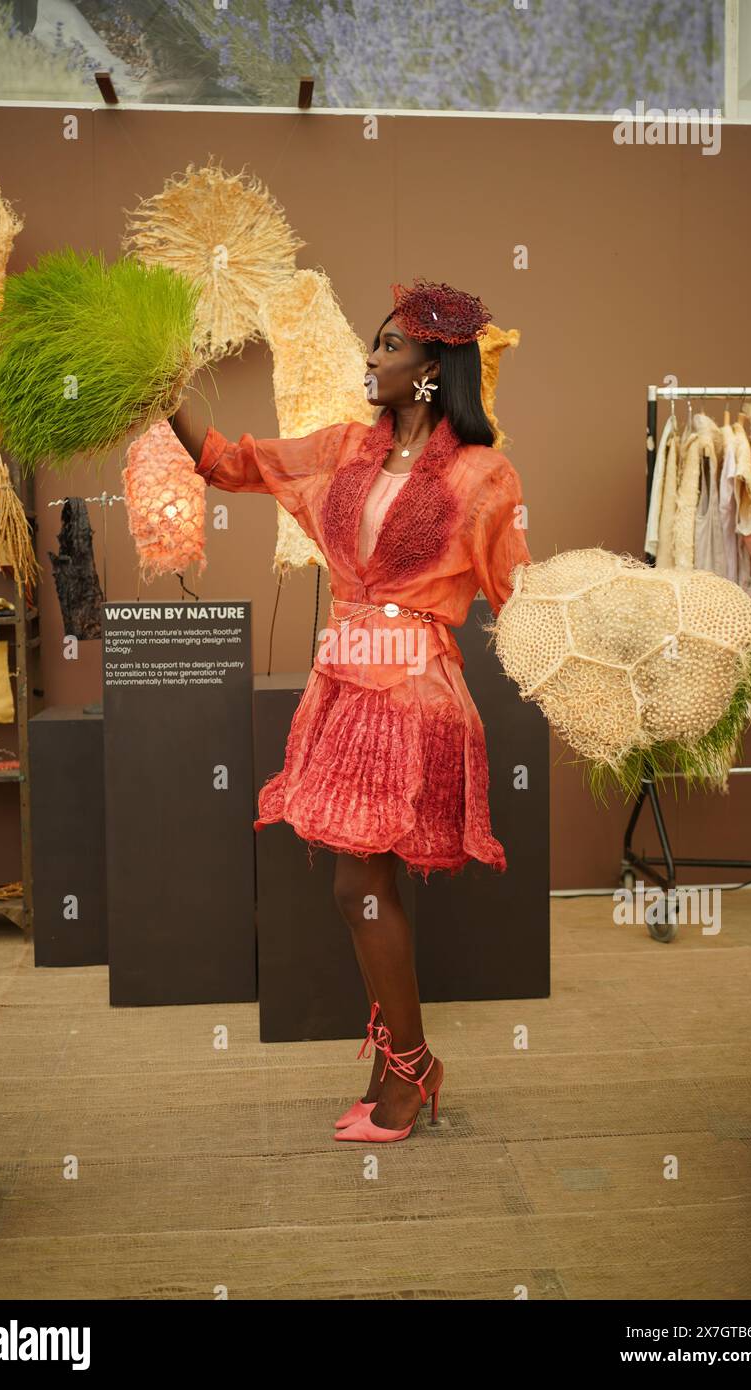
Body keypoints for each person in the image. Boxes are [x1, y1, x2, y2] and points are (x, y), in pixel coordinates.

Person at [170, 277, 531, 1143]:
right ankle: (395, 1066)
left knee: (358, 881)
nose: (372, 357)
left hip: (414, 690)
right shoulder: (342, 450)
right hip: (345, 683)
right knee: (362, 885)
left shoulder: (485, 475)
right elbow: (230, 462)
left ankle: (409, 1072)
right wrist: (158, 391)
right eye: (374, 343)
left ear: (434, 368)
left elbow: (522, 593)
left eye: (389, 345)